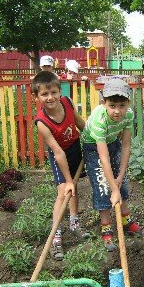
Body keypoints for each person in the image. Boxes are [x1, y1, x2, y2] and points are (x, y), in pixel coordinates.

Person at [82, 79, 144, 251]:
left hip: (113, 143)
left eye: (122, 105)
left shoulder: (129, 115)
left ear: (128, 103)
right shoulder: (99, 120)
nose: (117, 111)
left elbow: (126, 145)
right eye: (112, 105)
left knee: (122, 182)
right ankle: (106, 227)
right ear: (104, 102)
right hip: (93, 147)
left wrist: (119, 177)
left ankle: (126, 221)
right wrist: (113, 188)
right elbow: (103, 158)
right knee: (104, 186)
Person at [32, 71, 88, 261]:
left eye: (54, 92)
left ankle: (74, 223)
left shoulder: (67, 102)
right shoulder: (42, 122)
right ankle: (55, 237)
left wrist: (94, 138)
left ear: (59, 91)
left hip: (74, 148)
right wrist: (68, 180)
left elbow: (81, 124)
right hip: (59, 155)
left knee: (74, 188)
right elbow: (57, 153)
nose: (50, 98)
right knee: (64, 190)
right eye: (44, 94)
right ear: (36, 97)